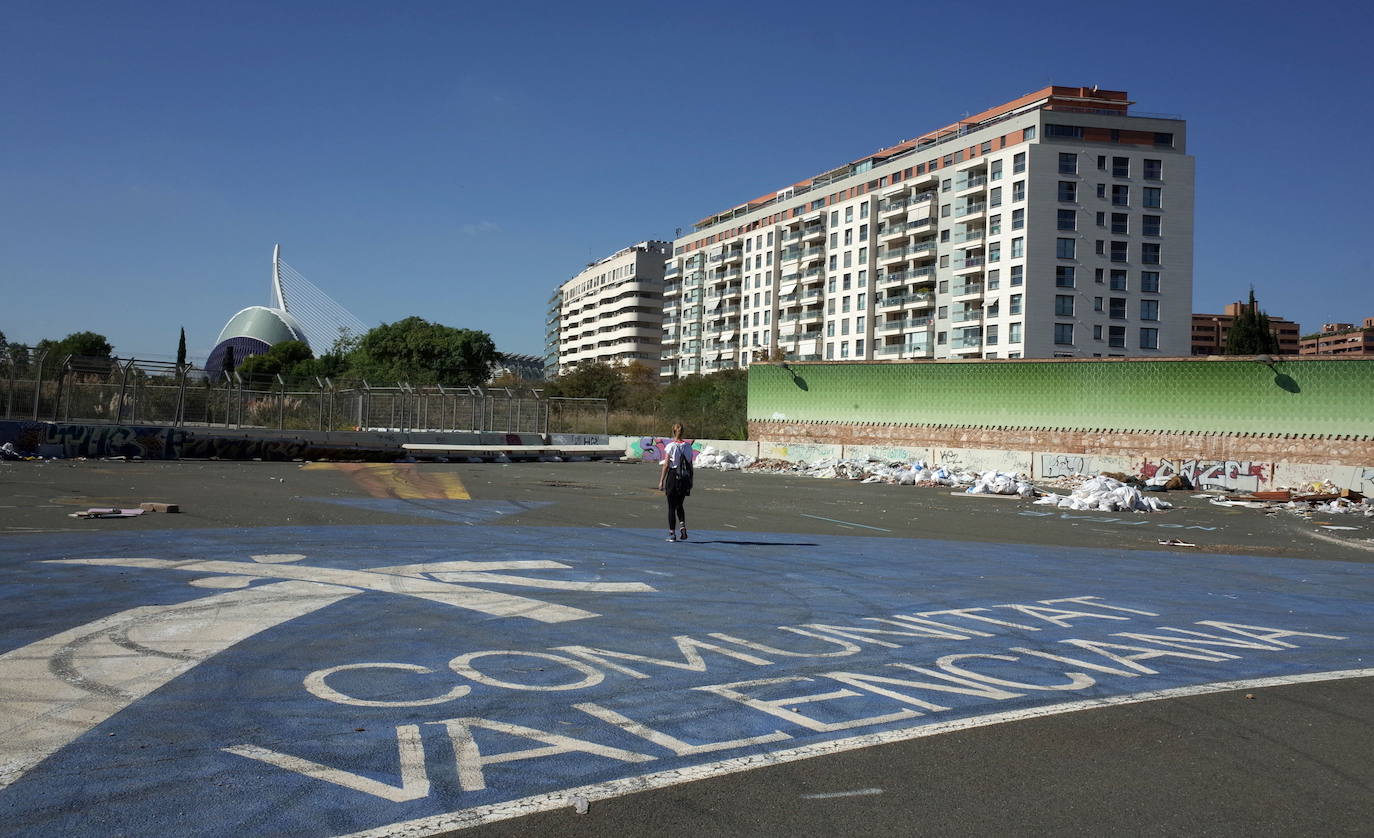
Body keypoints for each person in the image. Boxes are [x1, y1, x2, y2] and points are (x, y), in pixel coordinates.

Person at [657, 423, 692, 542]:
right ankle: (683, 528)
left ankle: (672, 533)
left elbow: (666, 465)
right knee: (680, 504)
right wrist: (690, 481)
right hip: (684, 478)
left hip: (673, 476)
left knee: (671, 507)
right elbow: (690, 464)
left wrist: (661, 480)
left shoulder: (670, 446)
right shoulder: (688, 446)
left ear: (673, 432)